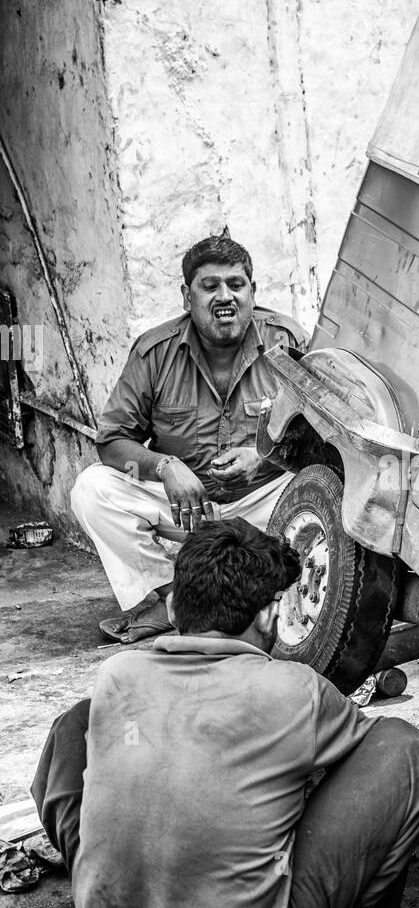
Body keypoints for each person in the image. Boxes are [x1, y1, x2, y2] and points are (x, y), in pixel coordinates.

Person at [31, 518, 419, 908]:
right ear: (270, 617)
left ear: (175, 609)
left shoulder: (118, 675)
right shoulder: (297, 690)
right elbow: (360, 762)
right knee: (401, 747)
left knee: (73, 726)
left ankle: (120, 906)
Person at [71, 233, 304, 643]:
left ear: (253, 292)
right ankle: (174, 598)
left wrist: (263, 456)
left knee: (332, 485)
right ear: (186, 295)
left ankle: (280, 593)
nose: (225, 296)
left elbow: (325, 432)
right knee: (92, 489)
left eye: (236, 284)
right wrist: (165, 466)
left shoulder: (288, 342)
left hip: (263, 506)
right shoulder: (154, 351)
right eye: (210, 286)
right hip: (186, 512)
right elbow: (111, 440)